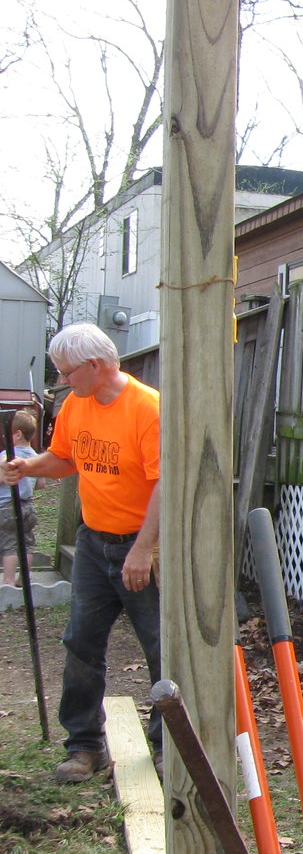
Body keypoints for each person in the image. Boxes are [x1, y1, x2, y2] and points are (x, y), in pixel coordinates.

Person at [0, 324, 161, 784]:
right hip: (93, 542)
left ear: (96, 365)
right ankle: (84, 745)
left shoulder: (147, 408)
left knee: (160, 647)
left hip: (140, 544)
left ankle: (168, 744)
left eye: (68, 372)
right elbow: (66, 458)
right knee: (81, 643)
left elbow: (163, 485)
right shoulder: (76, 405)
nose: (63, 381)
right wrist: (27, 466)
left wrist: (143, 549)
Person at [1, 409, 39, 586]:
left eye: (5, 434)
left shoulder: (6, 456)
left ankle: (8, 581)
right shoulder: (36, 458)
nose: (3, 437)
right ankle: (24, 579)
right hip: (28, 507)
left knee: (9, 544)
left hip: (7, 507)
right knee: (27, 543)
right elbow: (41, 484)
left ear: (17, 435)